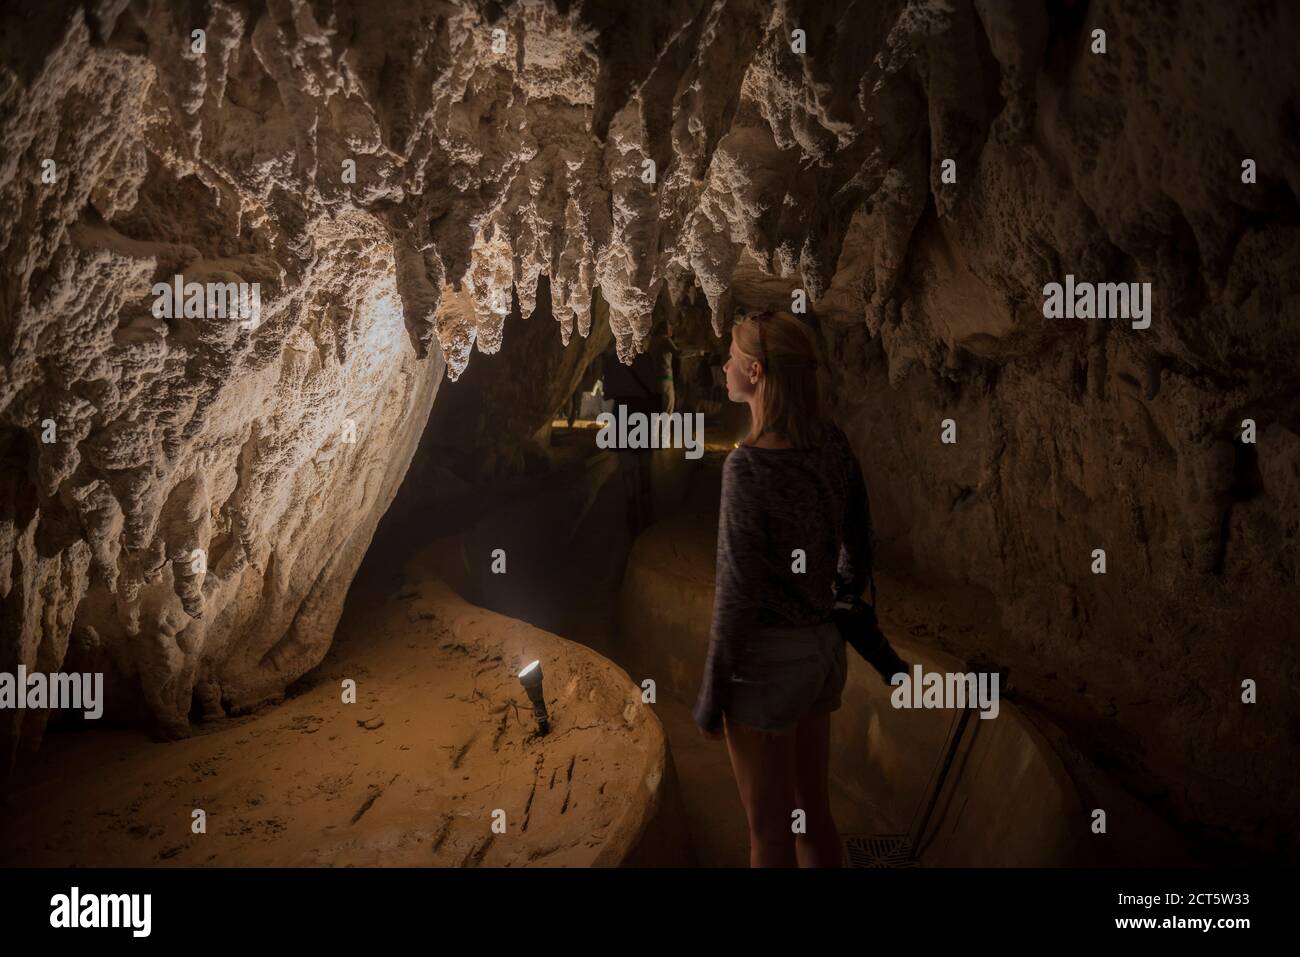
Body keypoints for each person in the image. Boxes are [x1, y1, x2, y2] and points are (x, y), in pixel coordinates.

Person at [692, 310, 873, 868]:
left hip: (767, 667)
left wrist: (712, 693)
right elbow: (860, 542)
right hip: (821, 653)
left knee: (769, 836)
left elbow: (737, 595)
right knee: (812, 816)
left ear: (756, 371)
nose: (723, 366)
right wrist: (832, 604)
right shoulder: (832, 445)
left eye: (732, 356)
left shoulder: (747, 469)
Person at [600, 323, 676, 539]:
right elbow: (652, 388)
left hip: (622, 412)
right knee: (644, 463)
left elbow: (607, 393)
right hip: (642, 412)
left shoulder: (613, 361)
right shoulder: (644, 359)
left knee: (627, 466)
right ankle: (646, 500)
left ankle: (632, 504)